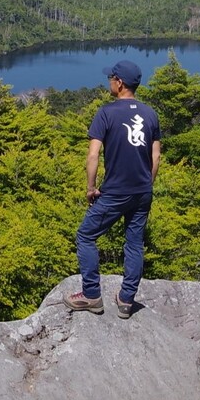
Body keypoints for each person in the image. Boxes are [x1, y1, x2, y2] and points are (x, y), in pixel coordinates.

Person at [64, 59, 161, 318]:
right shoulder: (150, 114)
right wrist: (146, 185)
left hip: (115, 192)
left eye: (111, 78)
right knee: (134, 243)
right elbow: (156, 156)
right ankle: (126, 300)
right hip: (142, 192)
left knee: (85, 236)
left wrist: (90, 188)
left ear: (119, 83)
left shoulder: (106, 113)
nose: (109, 82)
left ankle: (91, 295)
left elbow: (93, 156)